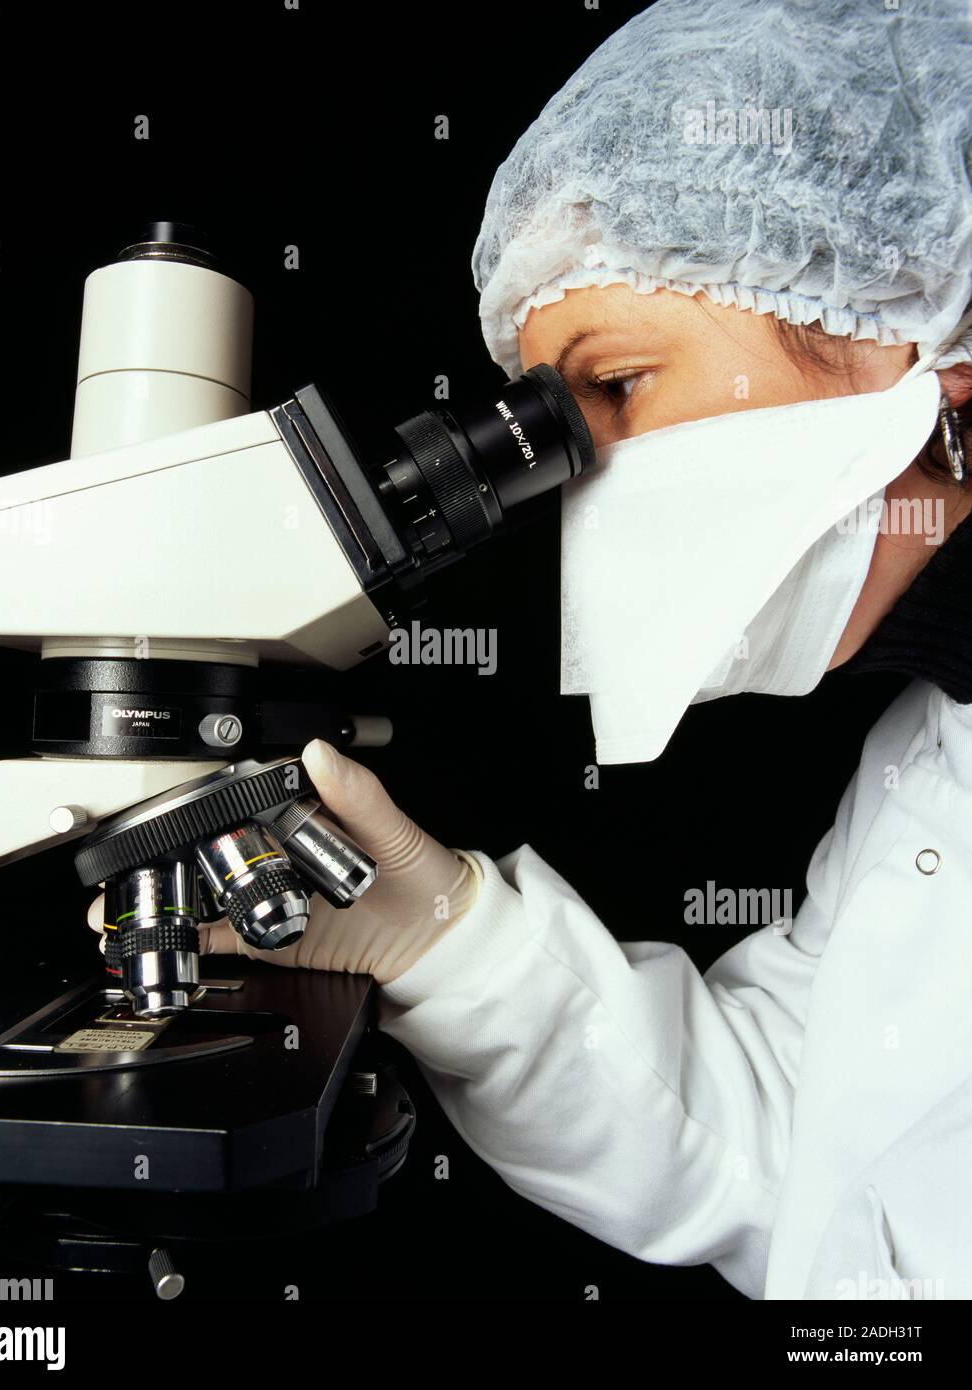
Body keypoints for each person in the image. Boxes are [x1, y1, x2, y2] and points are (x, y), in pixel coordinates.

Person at [90, 0, 971, 1299]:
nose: (586, 478)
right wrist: (446, 938)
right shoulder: (932, 755)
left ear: (935, 342)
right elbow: (796, 1151)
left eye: (614, 387)